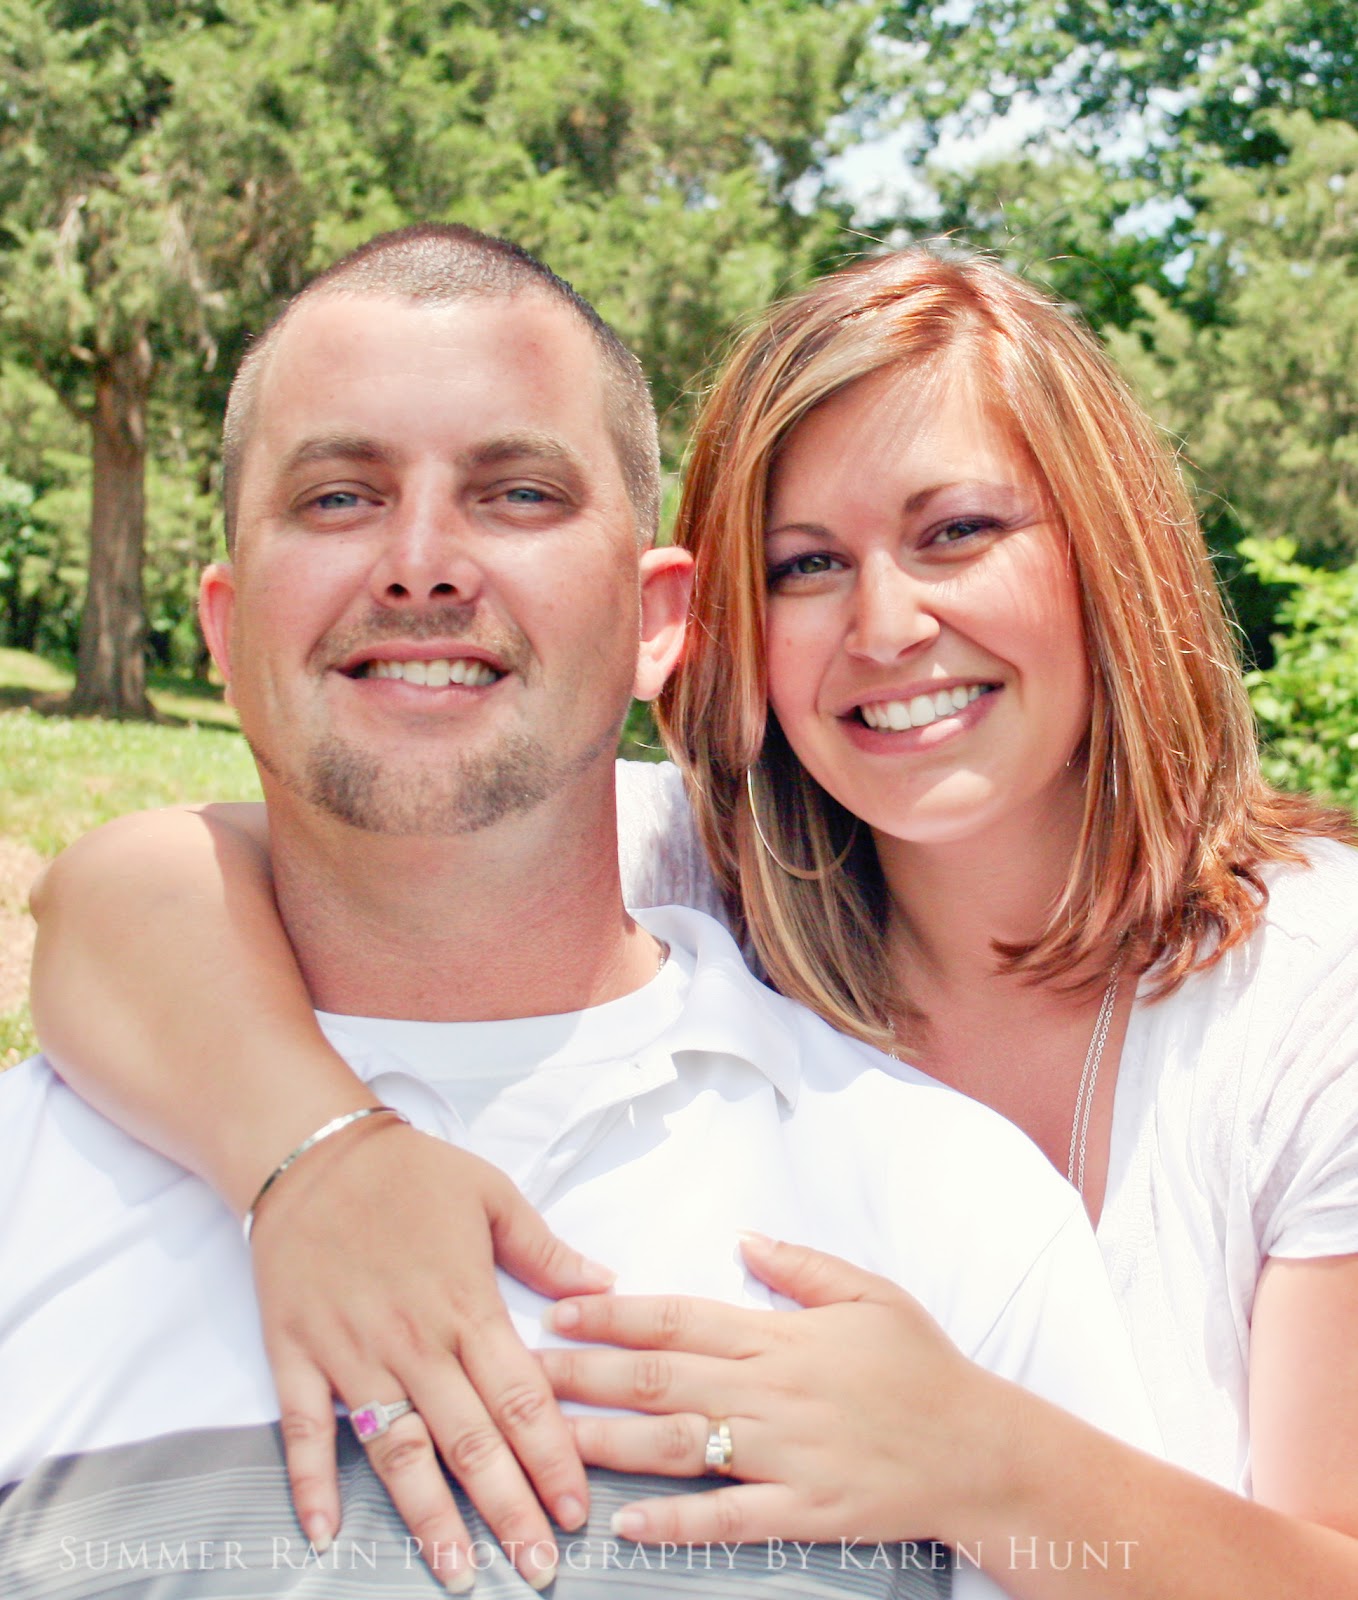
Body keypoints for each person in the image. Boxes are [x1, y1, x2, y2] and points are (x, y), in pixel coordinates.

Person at [25, 244, 1358, 1592]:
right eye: (800, 565)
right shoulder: (683, 860)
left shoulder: (1314, 1000)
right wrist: (315, 1159)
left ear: (1107, 551)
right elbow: (127, 890)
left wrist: (978, 1457)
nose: (887, 623)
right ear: (710, 621)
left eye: (956, 530)